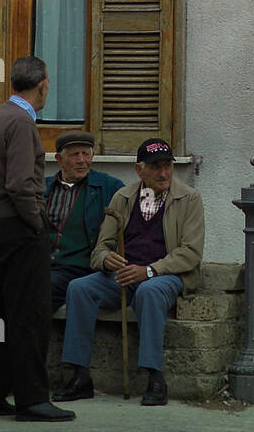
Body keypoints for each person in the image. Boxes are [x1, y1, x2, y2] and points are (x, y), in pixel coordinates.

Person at [53, 138, 204, 407]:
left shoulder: (188, 199)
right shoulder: (123, 198)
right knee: (79, 287)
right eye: (155, 166)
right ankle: (80, 376)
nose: (163, 173)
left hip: (165, 275)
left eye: (167, 165)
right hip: (124, 274)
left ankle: (155, 377)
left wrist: (149, 270)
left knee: (149, 291)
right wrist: (106, 259)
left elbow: (190, 253)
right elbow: (101, 247)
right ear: (139, 170)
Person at [0, 55, 75, 423]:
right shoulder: (21, 122)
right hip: (19, 227)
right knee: (29, 314)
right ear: (42, 85)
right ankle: (32, 398)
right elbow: (19, 183)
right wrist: (37, 223)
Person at [0, 133, 125, 313]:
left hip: (79, 269)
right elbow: (7, 208)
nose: (82, 160)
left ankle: (25, 339)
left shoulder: (108, 187)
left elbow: (131, 216)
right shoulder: (41, 188)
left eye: (86, 154)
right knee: (3, 286)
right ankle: (4, 338)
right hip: (40, 264)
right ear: (59, 159)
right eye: (75, 155)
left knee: (39, 290)